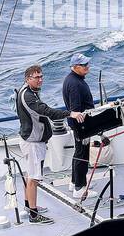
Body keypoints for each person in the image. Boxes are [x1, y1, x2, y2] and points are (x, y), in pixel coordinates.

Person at [15, 64, 85, 225]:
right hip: (33, 142)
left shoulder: (26, 90)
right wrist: (71, 113)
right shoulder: (29, 97)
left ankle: (29, 206)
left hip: (30, 139)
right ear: (28, 79)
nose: (40, 79)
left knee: (30, 175)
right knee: (34, 178)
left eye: (41, 76)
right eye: (36, 77)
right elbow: (47, 111)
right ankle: (34, 215)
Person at [62, 52, 95, 201]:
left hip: (79, 125)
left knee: (79, 152)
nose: (87, 67)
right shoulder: (74, 83)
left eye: (87, 64)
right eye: (84, 65)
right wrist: (82, 128)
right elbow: (75, 109)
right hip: (81, 125)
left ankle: (74, 182)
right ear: (75, 67)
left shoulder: (74, 79)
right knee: (83, 155)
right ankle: (79, 188)